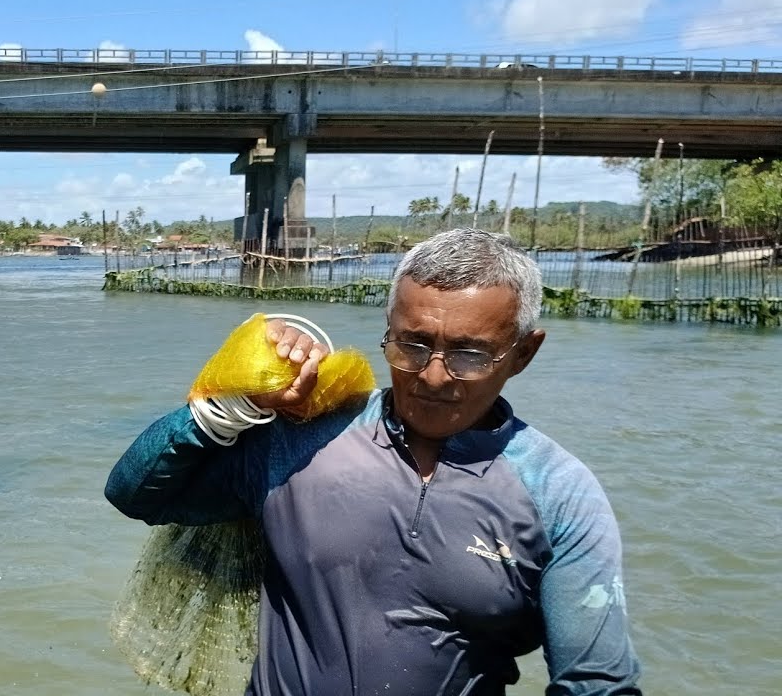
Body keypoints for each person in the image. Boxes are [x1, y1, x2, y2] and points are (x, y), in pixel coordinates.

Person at [105, 228, 642, 695]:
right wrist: (240, 403)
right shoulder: (303, 438)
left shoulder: (558, 491)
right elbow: (136, 494)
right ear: (387, 327)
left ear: (523, 353)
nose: (433, 377)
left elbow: (595, 681)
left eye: (469, 354)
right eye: (412, 345)